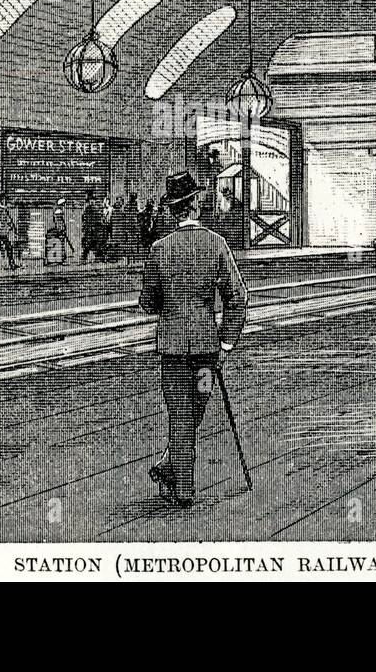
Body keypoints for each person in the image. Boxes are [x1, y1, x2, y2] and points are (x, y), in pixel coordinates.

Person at [138, 170, 249, 507]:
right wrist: (227, 343)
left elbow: (147, 302)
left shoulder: (159, 248)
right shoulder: (216, 244)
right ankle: (180, 483)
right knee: (194, 411)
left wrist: (166, 301)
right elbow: (238, 297)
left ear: (173, 210)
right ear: (196, 205)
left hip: (171, 349)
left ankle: (174, 473)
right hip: (206, 352)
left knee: (179, 415)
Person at [0, 194, 19, 269]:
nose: (5, 201)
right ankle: (10, 264)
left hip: (4, 232)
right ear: (1, 200)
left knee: (4, 248)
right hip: (0, 233)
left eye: (5, 199)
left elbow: (9, 222)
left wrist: (13, 229)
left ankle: (10, 264)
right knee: (2, 248)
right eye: (3, 199)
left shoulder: (5, 210)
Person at [80, 190, 102, 263]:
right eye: (90, 200)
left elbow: (98, 219)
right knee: (88, 245)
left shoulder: (94, 209)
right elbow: (84, 219)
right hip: (89, 230)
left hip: (94, 229)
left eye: (93, 200)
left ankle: (97, 258)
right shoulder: (88, 209)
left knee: (95, 244)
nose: (92, 202)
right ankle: (84, 258)